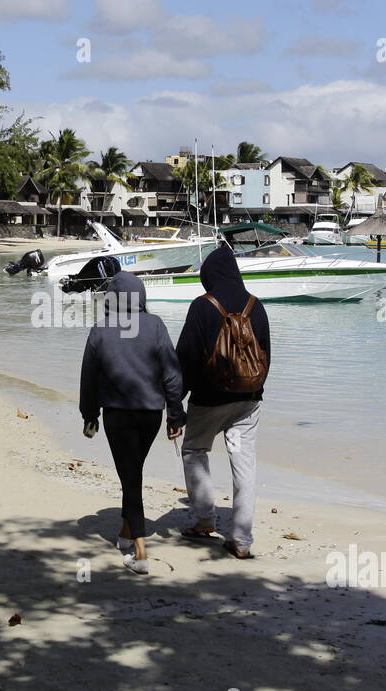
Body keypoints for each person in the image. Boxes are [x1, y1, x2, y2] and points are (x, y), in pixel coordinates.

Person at [79, 272, 185, 575]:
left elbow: (89, 377)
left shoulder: (100, 330)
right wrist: (175, 414)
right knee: (132, 471)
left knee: (131, 476)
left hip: (117, 413)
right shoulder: (155, 325)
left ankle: (140, 552)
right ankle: (126, 532)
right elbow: (172, 374)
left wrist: (89, 415)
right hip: (151, 413)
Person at [176, 244, 271, 559]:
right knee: (244, 463)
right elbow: (266, 356)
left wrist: (175, 401)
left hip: (208, 400)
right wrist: (253, 391)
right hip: (249, 401)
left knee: (194, 451)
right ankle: (242, 538)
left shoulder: (202, 306)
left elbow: (186, 359)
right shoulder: (256, 306)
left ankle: (205, 520)